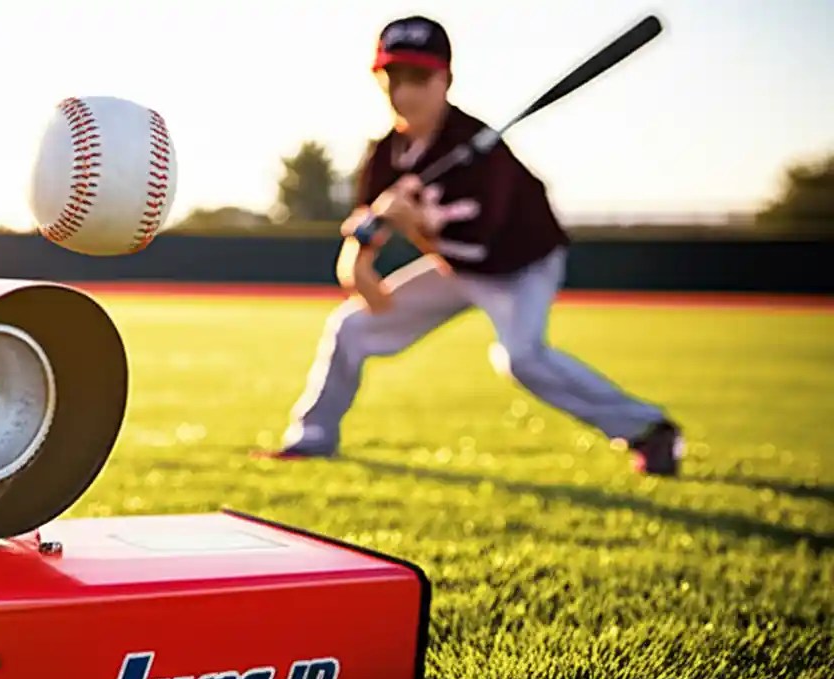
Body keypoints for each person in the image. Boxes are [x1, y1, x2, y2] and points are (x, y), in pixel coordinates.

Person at [258, 15, 684, 476]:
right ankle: (312, 438)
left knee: (522, 359)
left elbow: (480, 250)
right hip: (456, 272)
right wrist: (363, 258)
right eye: (393, 76)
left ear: (445, 79)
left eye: (419, 77)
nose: (404, 91)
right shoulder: (385, 156)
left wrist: (416, 224)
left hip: (521, 265)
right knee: (351, 328)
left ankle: (649, 430)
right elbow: (363, 276)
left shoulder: (481, 151)